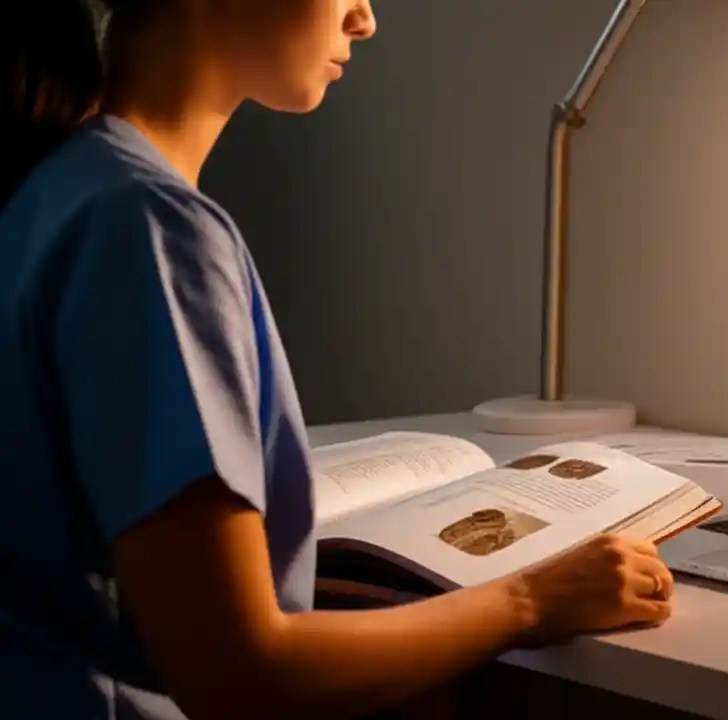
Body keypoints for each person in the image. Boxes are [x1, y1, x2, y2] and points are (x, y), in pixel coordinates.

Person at [0, 2, 676, 718]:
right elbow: (239, 672)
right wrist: (530, 600)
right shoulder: (149, 228)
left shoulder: (62, 191)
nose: (364, 18)